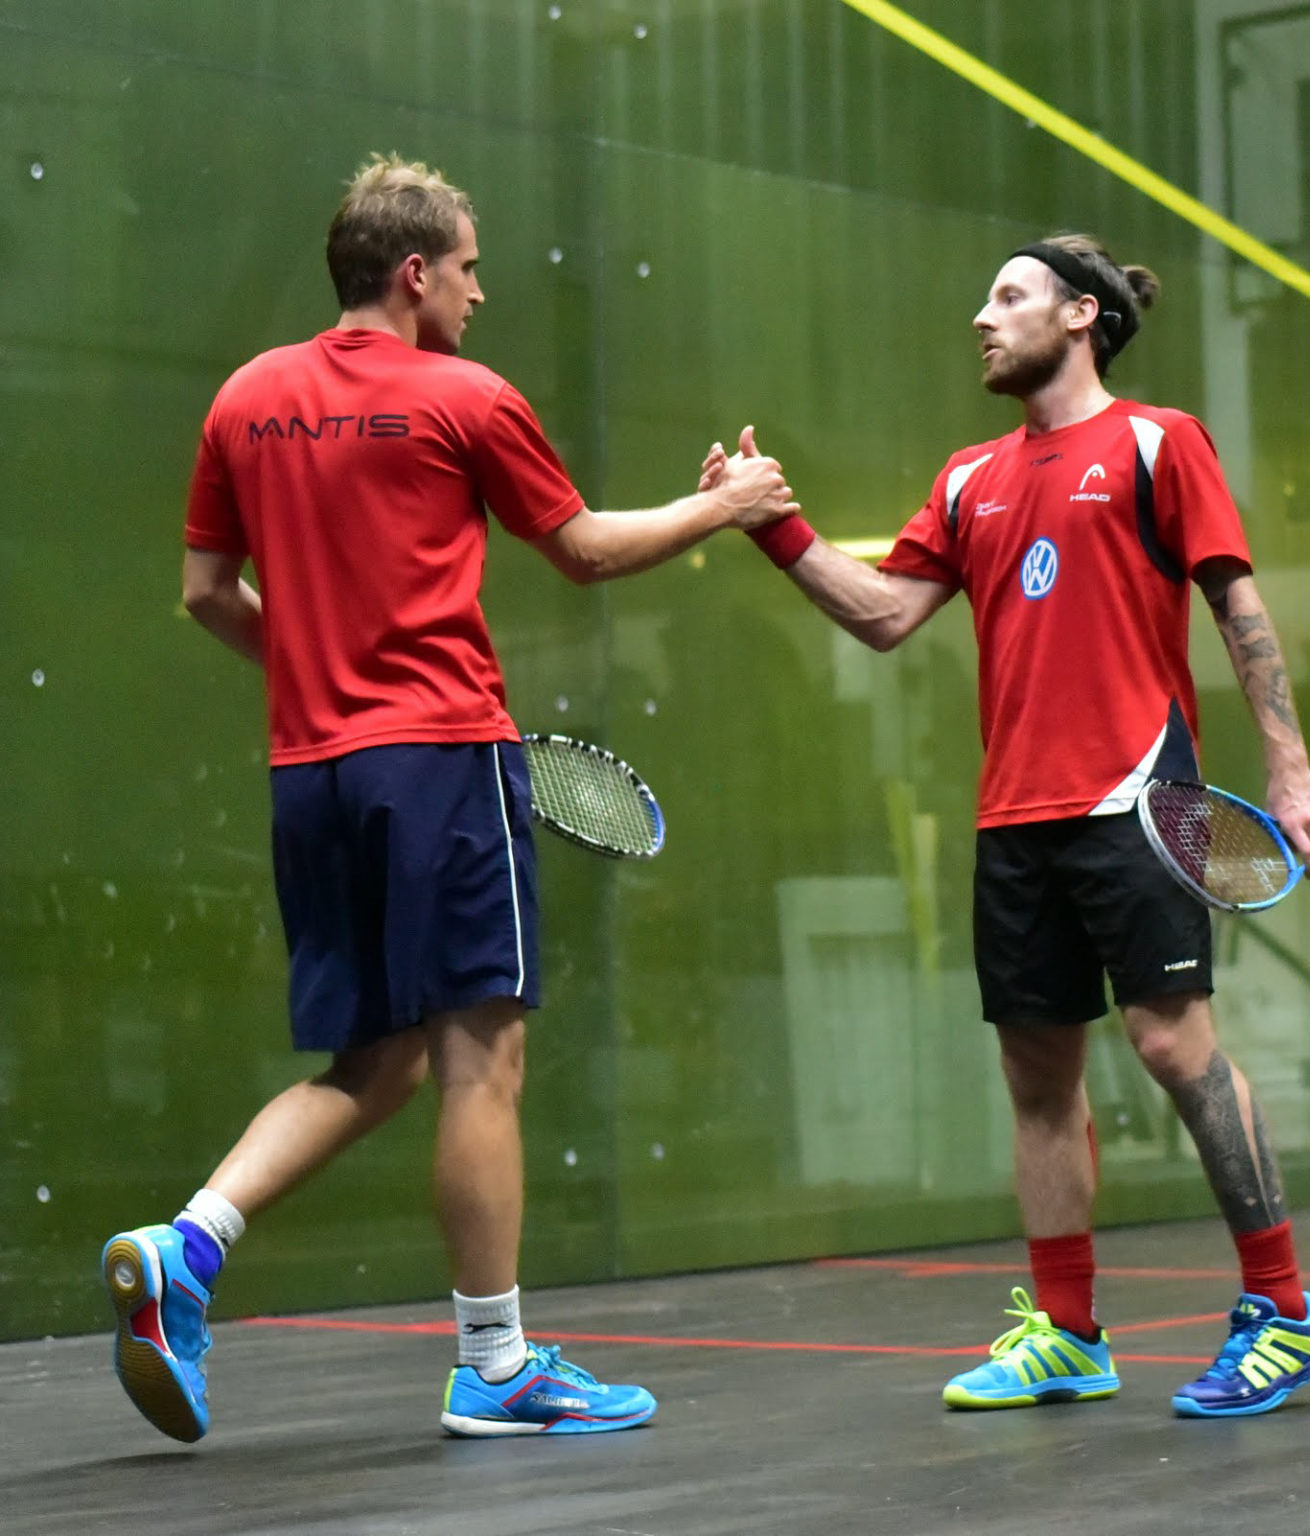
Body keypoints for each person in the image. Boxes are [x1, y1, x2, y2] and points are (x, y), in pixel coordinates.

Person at [101, 153, 796, 1443]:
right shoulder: (465, 396)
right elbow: (582, 551)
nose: (479, 295)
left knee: (373, 1059)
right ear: (415, 272)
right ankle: (495, 1365)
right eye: (469, 269)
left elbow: (203, 592)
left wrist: (316, 670)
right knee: (483, 1057)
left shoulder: (246, 398)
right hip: (439, 761)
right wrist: (726, 505)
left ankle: (186, 1243)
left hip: (309, 774)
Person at [707, 234, 1310, 1418]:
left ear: (1082, 316)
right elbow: (886, 614)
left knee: (1171, 1048)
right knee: (1036, 1073)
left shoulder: (1159, 442)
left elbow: (1236, 607)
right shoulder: (966, 478)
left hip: (1138, 805)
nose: (981, 318)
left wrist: (1290, 774)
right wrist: (777, 529)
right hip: (1014, 819)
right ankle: (1065, 1330)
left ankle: (1285, 1309)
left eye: (1008, 296)